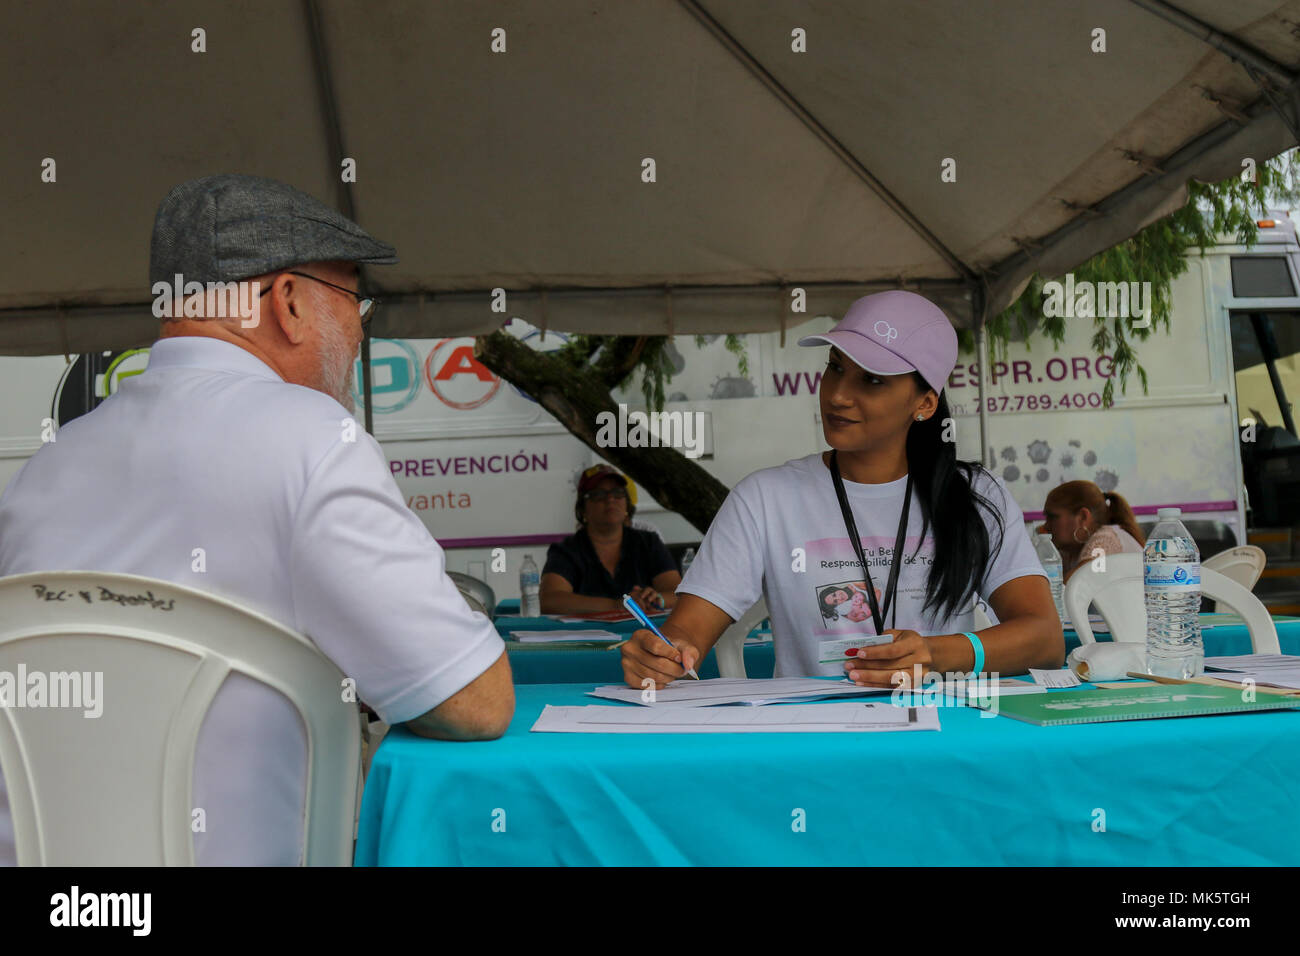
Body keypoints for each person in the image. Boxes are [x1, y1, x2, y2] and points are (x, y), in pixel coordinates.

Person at [0, 174, 513, 866]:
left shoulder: (45, 470)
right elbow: (474, 701)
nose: (358, 332)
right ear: (290, 302)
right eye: (353, 300)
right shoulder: (312, 443)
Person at [620, 290, 1064, 689]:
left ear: (925, 403)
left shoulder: (974, 496)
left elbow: (1044, 639)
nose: (837, 395)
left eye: (871, 379)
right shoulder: (765, 498)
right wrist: (660, 654)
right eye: (835, 369)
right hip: (814, 744)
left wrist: (934, 653)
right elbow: (687, 633)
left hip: (944, 733)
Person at [540, 464, 681, 615]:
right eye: (598, 494)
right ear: (582, 509)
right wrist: (616, 605)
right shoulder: (566, 550)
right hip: (587, 637)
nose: (610, 499)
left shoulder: (648, 542)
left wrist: (657, 598)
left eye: (618, 493)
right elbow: (550, 600)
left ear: (627, 504)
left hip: (645, 634)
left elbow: (679, 594)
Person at [1040, 481, 1146, 582]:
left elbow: (1066, 589)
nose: (1046, 526)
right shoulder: (1071, 550)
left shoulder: (1105, 539)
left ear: (1082, 517)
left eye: (1052, 517)